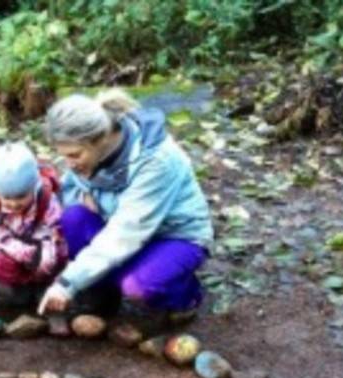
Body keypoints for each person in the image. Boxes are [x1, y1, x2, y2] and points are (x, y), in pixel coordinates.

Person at [37, 89, 213, 320]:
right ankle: (102, 293)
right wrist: (81, 198)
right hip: (123, 230)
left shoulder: (156, 161)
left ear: (99, 138)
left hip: (174, 236)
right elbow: (69, 192)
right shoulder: (88, 152)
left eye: (74, 155)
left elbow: (126, 232)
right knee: (74, 218)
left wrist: (67, 283)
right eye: (64, 155)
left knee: (138, 286)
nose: (68, 164)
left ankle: (185, 295)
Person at [0, 141, 67, 305]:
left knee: (57, 255)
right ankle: (19, 286)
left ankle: (44, 284)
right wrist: (22, 252)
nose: (13, 204)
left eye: (20, 197)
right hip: (11, 245)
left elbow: (55, 231)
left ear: (33, 187)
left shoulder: (46, 199)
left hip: (40, 244)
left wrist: (43, 257)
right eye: (6, 198)